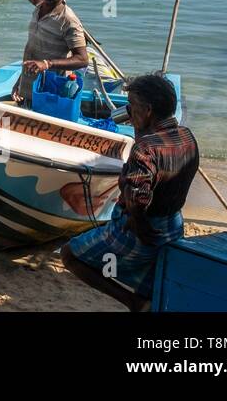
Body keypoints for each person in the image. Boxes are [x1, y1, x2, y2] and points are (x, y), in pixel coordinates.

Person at [61, 72, 198, 310]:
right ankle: (147, 302)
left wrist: (137, 221)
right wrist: (140, 131)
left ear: (147, 110)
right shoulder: (187, 137)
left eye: (132, 105)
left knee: (70, 255)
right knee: (153, 281)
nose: (128, 110)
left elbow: (138, 195)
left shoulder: (145, 148)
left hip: (143, 229)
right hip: (172, 226)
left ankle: (133, 302)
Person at [12, 0, 88, 105]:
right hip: (28, 89)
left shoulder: (68, 20)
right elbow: (31, 50)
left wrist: (48, 63)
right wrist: (20, 82)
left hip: (50, 91)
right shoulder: (38, 8)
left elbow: (82, 59)